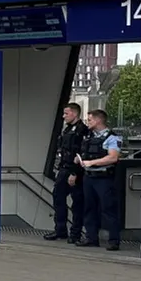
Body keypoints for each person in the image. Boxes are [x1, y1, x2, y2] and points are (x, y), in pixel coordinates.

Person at [76, 108, 122, 251]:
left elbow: (113, 157)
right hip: (89, 177)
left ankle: (113, 240)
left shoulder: (112, 138)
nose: (87, 122)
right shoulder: (89, 137)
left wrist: (92, 162)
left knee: (108, 209)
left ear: (98, 120)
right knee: (89, 208)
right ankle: (91, 238)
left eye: (89, 120)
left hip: (104, 178)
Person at [47, 102, 88, 243]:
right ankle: (60, 230)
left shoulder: (82, 130)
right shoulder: (67, 130)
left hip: (75, 170)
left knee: (77, 202)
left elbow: (81, 154)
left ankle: (75, 233)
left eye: (66, 113)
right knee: (58, 198)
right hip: (64, 168)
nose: (64, 116)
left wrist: (75, 173)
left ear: (75, 113)